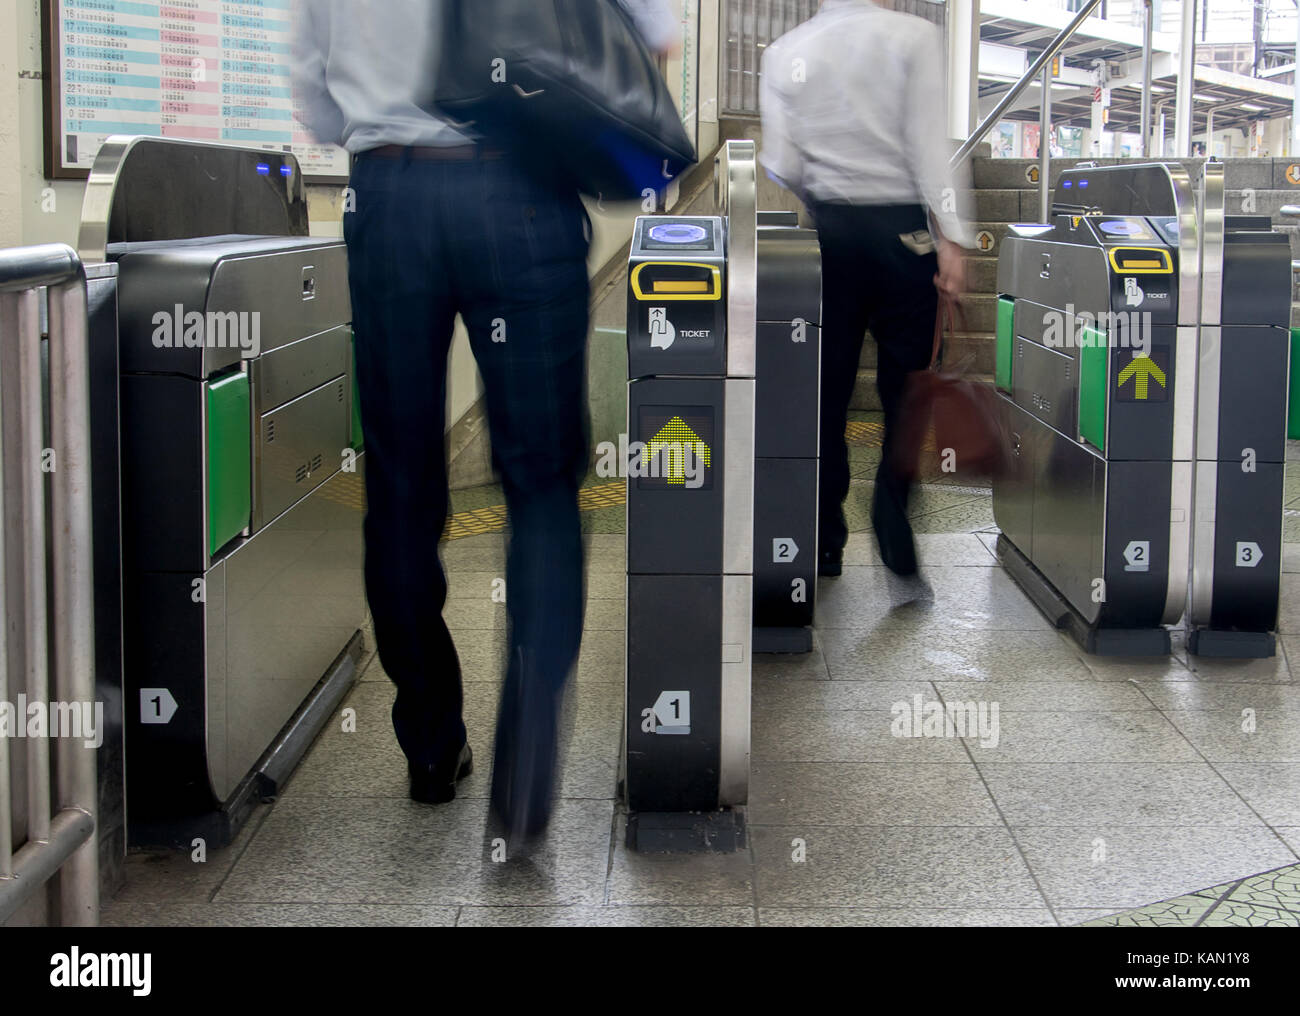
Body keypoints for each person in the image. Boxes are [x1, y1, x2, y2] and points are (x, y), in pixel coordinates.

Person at [291, 0, 678, 843]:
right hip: (521, 193)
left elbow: (316, 102)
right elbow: (652, 40)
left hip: (388, 202)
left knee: (398, 485)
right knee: (540, 483)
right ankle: (528, 764)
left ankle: (431, 747)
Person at [759, 0, 973, 590]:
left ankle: (825, 534)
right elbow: (932, 149)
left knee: (824, 391)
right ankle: (891, 501)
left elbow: (780, 161)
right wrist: (952, 239)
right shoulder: (913, 38)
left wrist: (826, 194)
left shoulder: (787, 52)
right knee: (907, 383)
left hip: (829, 238)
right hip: (904, 236)